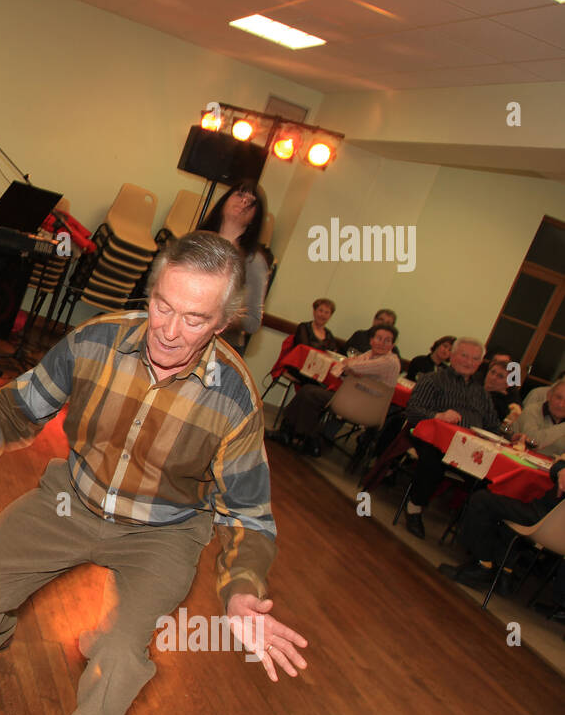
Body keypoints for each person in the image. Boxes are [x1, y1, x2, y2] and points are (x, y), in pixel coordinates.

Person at [0, 231, 307, 715]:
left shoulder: (235, 401)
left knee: (120, 654)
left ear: (223, 323)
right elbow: (21, 404)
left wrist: (243, 592)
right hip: (74, 498)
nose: (170, 330)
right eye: (163, 306)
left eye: (195, 319)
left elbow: (247, 514)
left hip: (163, 532)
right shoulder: (95, 339)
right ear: (150, 294)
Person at [401, 338, 501, 539]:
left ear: (480, 363)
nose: (468, 361)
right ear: (453, 356)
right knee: (434, 459)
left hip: (470, 450)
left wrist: (509, 436)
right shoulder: (433, 379)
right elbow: (412, 411)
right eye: (464, 355)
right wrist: (439, 416)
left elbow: (493, 426)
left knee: (494, 478)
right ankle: (414, 507)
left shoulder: (481, 393)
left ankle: (470, 533)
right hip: (433, 439)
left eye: (475, 358)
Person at [440, 458, 565, 592]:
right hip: (551, 523)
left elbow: (556, 470)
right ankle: (504, 572)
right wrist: (560, 469)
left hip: (546, 521)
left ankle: (484, 565)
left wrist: (559, 469)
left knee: (481, 500)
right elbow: (556, 469)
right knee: (512, 501)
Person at [275, 323, 399, 456]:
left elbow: (353, 366)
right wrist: (350, 366)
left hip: (365, 407)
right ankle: (293, 433)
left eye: (387, 341)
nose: (382, 343)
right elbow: (339, 368)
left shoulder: (390, 361)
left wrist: (351, 366)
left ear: (392, 346)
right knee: (308, 390)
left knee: (311, 393)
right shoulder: (370, 354)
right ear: (371, 340)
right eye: (379, 338)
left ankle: (307, 438)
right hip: (350, 398)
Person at [201, 181, 271, 354]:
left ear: (255, 217)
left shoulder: (253, 261)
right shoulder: (198, 241)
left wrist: (218, 315)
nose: (244, 202)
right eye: (240, 195)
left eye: (251, 201)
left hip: (221, 349)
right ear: (225, 199)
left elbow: (253, 322)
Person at [511, 378, 565, 455]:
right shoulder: (532, 411)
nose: (561, 405)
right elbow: (532, 441)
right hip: (518, 459)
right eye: (558, 398)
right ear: (549, 395)